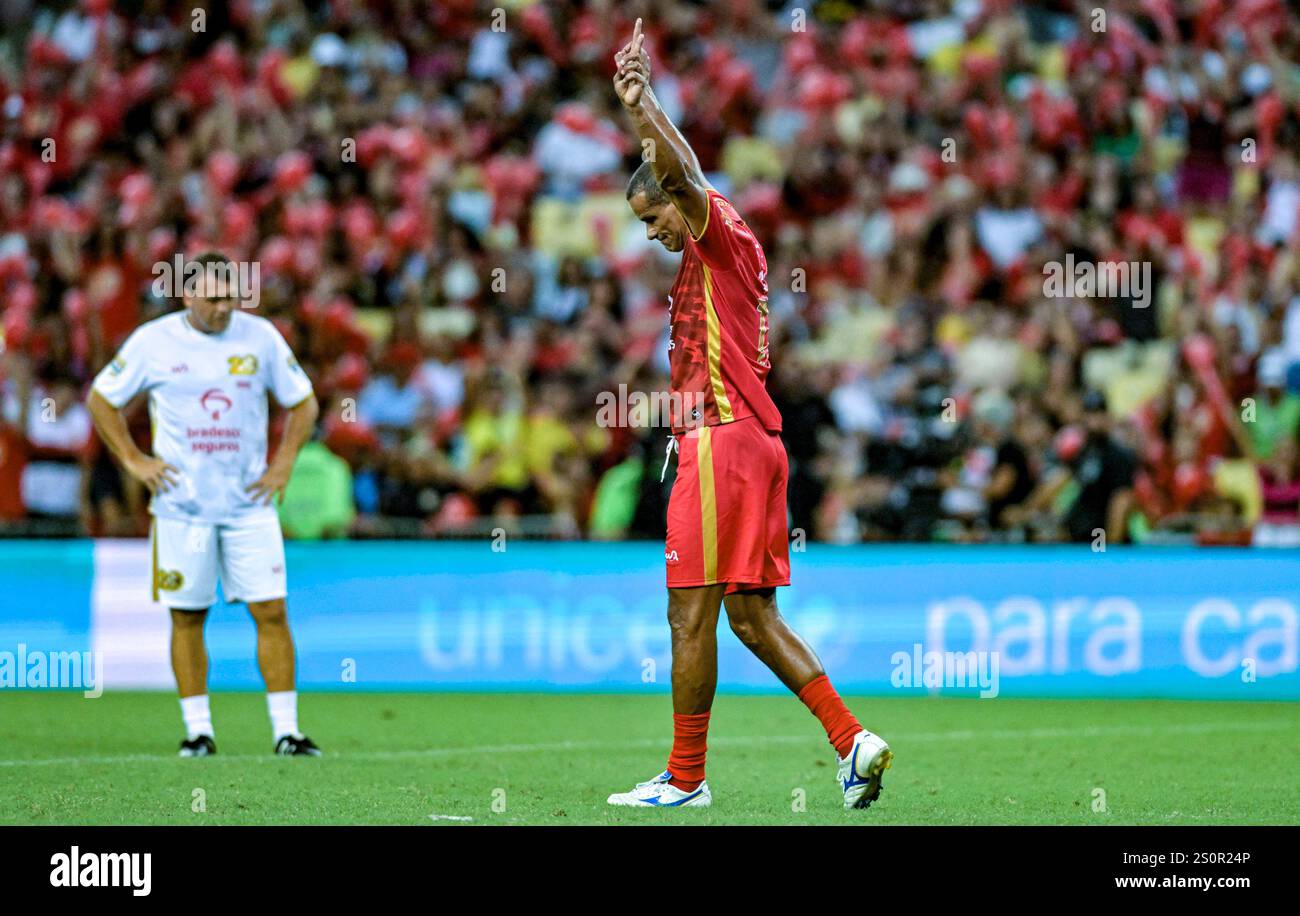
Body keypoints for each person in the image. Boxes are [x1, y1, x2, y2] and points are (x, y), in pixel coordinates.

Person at [604, 20, 891, 810]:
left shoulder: (709, 229)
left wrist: (641, 105)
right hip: (758, 443)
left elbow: (684, 170)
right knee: (750, 614)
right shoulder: (731, 247)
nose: (654, 232)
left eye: (651, 217)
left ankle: (686, 779)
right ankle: (852, 739)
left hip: (721, 443)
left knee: (687, 614)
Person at [86, 251, 323, 757]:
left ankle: (287, 732)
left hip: (248, 506)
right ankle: (199, 732)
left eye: (231, 297)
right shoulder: (154, 342)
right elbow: (101, 398)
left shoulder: (260, 338)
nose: (224, 308)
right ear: (188, 295)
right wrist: (132, 459)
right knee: (187, 616)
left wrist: (282, 465)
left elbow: (303, 401)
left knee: (272, 611)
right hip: (181, 507)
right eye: (214, 298)